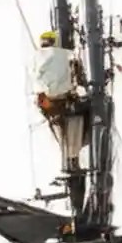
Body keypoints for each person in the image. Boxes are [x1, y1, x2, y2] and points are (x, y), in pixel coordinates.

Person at [34, 30, 87, 172]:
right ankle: (72, 159)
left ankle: (68, 159)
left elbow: (36, 83)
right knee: (75, 121)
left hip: (49, 102)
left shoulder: (37, 57)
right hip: (64, 98)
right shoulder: (66, 54)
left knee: (59, 126)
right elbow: (76, 69)